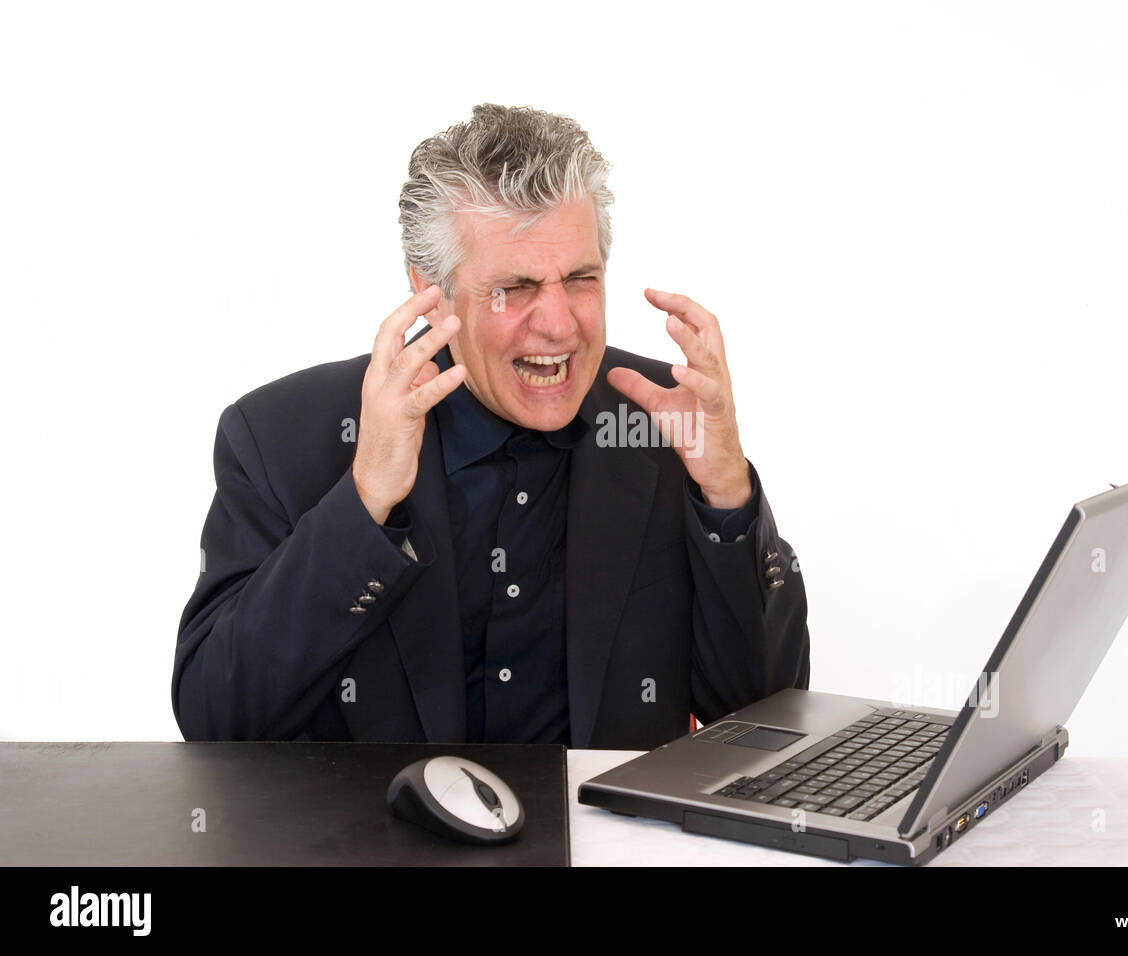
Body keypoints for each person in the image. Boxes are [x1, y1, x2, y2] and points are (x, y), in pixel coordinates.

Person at [172, 103, 810, 748]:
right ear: (431, 289)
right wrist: (363, 503)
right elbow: (217, 721)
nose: (559, 325)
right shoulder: (281, 435)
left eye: (581, 279)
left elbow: (765, 721)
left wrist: (727, 491)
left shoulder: (663, 419)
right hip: (376, 842)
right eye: (516, 287)